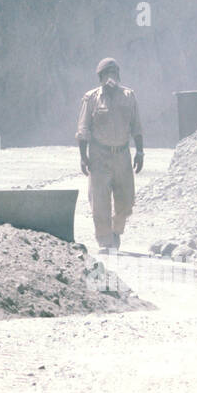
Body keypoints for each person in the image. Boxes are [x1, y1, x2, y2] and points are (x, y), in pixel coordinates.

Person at [75, 57, 144, 252]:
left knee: (126, 201)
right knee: (100, 201)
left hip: (122, 155)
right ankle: (105, 241)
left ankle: (116, 230)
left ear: (118, 75)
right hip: (99, 155)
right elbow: (83, 129)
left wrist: (140, 151)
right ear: (101, 77)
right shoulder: (91, 98)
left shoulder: (129, 96)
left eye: (114, 73)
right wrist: (83, 156)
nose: (111, 77)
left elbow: (137, 127)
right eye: (107, 73)